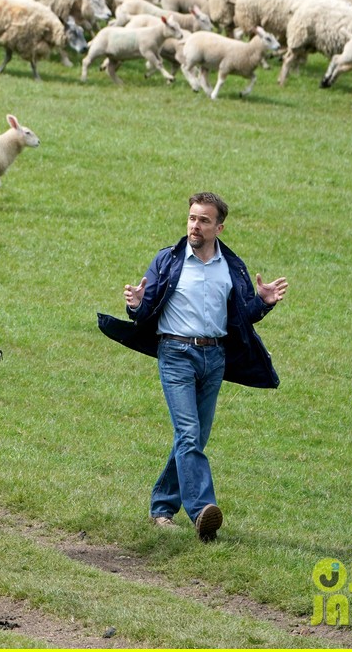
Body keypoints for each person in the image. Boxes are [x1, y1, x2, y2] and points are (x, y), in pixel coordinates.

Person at [98, 192, 287, 542]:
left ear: (219, 226)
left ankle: (162, 506)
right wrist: (136, 305)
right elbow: (144, 308)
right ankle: (202, 510)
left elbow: (243, 317)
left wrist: (263, 303)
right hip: (175, 354)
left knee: (195, 437)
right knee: (188, 433)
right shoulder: (168, 260)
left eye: (203, 220)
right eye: (191, 218)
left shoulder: (231, 267)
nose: (194, 225)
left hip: (214, 357)